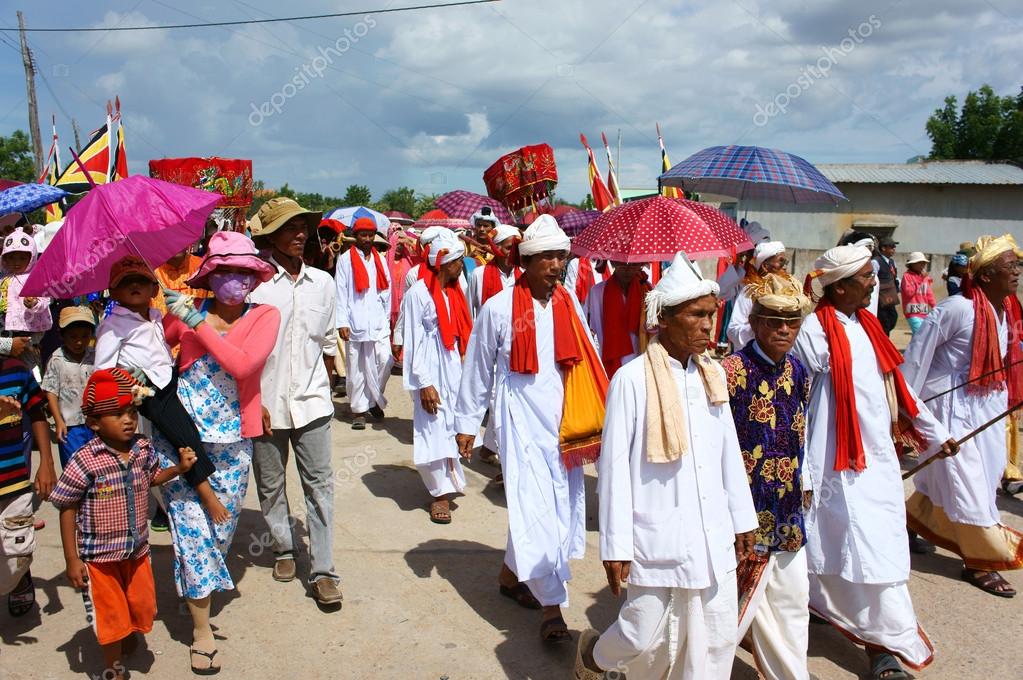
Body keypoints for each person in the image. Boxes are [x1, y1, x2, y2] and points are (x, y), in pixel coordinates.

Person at [575, 251, 757, 680]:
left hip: (710, 531)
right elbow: (615, 468)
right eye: (697, 315)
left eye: (711, 315)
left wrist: (742, 519)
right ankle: (595, 659)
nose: (708, 326)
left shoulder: (711, 375)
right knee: (642, 633)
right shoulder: (631, 380)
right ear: (667, 319)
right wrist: (615, 544)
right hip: (656, 532)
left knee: (715, 637)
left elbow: (728, 452)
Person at [795, 245, 958, 680]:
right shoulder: (812, 330)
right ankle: (881, 645)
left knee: (876, 546)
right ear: (841, 286)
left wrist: (934, 435)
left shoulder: (869, 326)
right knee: (846, 545)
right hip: (834, 462)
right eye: (867, 277)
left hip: (878, 458)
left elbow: (896, 390)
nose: (875, 283)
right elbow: (799, 394)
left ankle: (860, 627)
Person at [456, 215, 603, 643]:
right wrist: (467, 425)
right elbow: (477, 368)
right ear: (528, 260)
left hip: (563, 423)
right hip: (518, 420)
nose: (557, 265)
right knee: (537, 507)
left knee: (554, 506)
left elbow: (588, 357)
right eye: (548, 258)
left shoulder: (569, 303)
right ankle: (552, 610)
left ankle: (509, 577)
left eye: (561, 256)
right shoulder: (500, 307)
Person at [158, 231, 280, 673]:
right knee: (191, 528)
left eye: (245, 271)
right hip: (180, 440)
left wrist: (196, 322)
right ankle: (202, 629)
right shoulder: (186, 312)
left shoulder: (266, 314)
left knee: (217, 532)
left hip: (233, 444)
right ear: (211, 275)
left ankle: (194, 591)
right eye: (227, 270)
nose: (237, 279)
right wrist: (162, 316)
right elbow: (150, 350)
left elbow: (244, 365)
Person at [50, 368, 196, 680]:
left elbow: (152, 477)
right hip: (100, 558)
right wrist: (71, 559)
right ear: (93, 423)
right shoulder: (85, 460)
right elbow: (66, 506)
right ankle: (112, 667)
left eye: (131, 411)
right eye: (117, 414)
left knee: (142, 605)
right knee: (110, 613)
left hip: (137, 550)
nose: (128, 419)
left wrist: (178, 470)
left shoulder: (143, 449)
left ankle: (126, 630)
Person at [902, 234, 1023, 597]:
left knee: (978, 480)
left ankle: (911, 521)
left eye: (1017, 266)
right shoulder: (955, 308)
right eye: (1009, 267)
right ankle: (981, 560)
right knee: (967, 485)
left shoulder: (1005, 309)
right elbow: (916, 360)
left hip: (986, 406)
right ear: (985, 275)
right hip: (947, 410)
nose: (1016, 272)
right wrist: (904, 414)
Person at [248, 197, 343, 607]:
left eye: (303, 226)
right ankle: (284, 547)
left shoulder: (324, 283)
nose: (301, 234)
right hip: (265, 401)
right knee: (270, 485)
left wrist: (336, 377)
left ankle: (323, 571)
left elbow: (325, 340)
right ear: (271, 236)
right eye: (290, 228)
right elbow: (243, 348)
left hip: (313, 402)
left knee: (319, 488)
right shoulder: (254, 285)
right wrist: (251, 400)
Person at [722, 274, 813, 680]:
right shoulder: (729, 372)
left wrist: (804, 481)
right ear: (755, 322)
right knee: (726, 611)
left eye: (791, 322)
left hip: (789, 513)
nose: (783, 329)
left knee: (793, 603)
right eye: (774, 320)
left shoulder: (799, 372)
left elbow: (800, 436)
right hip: (741, 517)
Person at [94, 256, 227, 523]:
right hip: (147, 390)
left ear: (153, 289)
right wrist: (128, 379)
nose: (135, 286)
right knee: (184, 435)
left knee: (187, 430)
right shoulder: (112, 325)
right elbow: (102, 371)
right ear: (114, 292)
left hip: (169, 379)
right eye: (126, 282)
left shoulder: (155, 314)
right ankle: (206, 494)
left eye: (141, 281)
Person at [402, 229, 472, 524]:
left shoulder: (454, 291)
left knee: (450, 424)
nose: (461, 267)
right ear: (443, 263)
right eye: (458, 262)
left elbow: (461, 330)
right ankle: (437, 494)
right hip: (428, 368)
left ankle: (449, 481)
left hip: (452, 364)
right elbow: (414, 339)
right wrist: (425, 383)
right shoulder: (418, 293)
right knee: (431, 428)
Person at [0, 352, 55, 618]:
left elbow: (37, 414)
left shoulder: (16, 370)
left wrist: (47, 462)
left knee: (17, 551)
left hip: (14, 483)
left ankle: (20, 578)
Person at [336, 216, 392, 430]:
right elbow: (340, 293)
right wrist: (342, 321)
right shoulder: (345, 260)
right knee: (356, 368)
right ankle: (359, 410)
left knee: (385, 361)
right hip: (355, 322)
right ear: (356, 236)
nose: (367, 239)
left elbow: (386, 292)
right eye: (363, 235)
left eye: (370, 235)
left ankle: (374, 398)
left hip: (378, 322)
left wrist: (387, 319)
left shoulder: (379, 260)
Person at [41, 306, 97, 467]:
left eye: (85, 336)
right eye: (73, 337)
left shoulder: (95, 356)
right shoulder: (56, 360)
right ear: (62, 336)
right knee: (75, 468)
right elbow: (51, 392)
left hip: (95, 422)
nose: (79, 342)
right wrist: (58, 421)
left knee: (97, 465)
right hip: (70, 426)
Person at [584, 261, 652, 378]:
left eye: (632, 264)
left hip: (642, 363)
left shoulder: (648, 290)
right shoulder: (596, 292)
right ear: (612, 262)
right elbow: (587, 330)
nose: (627, 269)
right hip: (610, 364)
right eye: (621, 263)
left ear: (640, 264)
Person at [1, 227, 52, 376]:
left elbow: (45, 300)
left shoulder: (34, 278)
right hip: (7, 331)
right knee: (11, 366)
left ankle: (34, 388)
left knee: (30, 364)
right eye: (11, 258)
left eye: (22, 258)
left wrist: (34, 303)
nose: (16, 262)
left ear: (32, 256)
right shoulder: (4, 280)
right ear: (4, 258)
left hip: (30, 330)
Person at [727, 241, 794, 350]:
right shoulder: (750, 291)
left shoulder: (788, 291)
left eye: (785, 262)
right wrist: (760, 327)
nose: (784, 267)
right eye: (781, 261)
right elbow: (732, 330)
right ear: (765, 265)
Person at [467, 224, 520, 316]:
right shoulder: (479, 274)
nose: (513, 253)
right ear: (496, 248)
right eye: (509, 248)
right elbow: (468, 311)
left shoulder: (523, 275)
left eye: (516, 249)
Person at [152, 246, 210, 315]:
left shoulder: (203, 267)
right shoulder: (151, 271)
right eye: (170, 239)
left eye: (177, 238)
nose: (174, 244)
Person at [900, 252, 936, 335]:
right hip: (912, 312)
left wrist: (935, 306)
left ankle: (912, 348)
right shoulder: (907, 276)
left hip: (924, 312)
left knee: (919, 336)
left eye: (923, 263)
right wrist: (920, 280)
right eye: (919, 263)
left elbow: (928, 294)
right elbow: (909, 292)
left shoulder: (924, 277)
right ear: (912, 264)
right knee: (920, 335)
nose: (922, 265)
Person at [873, 235, 900, 335]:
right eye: (891, 246)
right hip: (880, 298)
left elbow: (895, 277)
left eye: (894, 247)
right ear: (883, 248)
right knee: (884, 322)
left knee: (893, 318)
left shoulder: (892, 262)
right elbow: (873, 278)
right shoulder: (876, 262)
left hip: (890, 297)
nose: (894, 249)